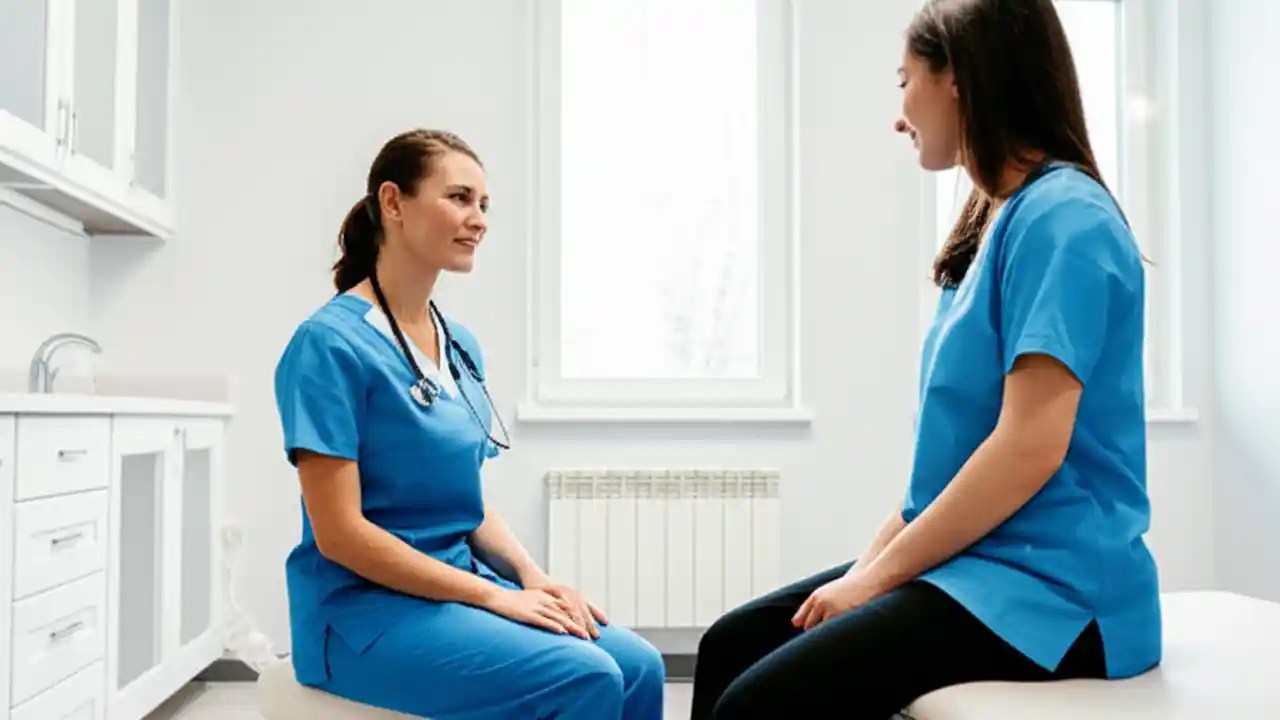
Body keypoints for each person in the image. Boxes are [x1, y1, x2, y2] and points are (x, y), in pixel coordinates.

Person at [690, 1, 1160, 717]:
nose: (898, 111)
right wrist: (871, 570)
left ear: (959, 80)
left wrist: (873, 584)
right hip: (985, 568)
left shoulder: (1067, 219)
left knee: (759, 705)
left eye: (904, 78)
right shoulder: (995, 218)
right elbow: (944, 468)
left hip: (1060, 595)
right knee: (731, 645)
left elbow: (1028, 447)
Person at [272, 129, 665, 719]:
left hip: (453, 589)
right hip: (361, 615)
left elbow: (471, 503)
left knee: (639, 667)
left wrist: (534, 577)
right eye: (458, 197)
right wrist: (491, 597)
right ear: (393, 203)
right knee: (582, 676)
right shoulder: (327, 346)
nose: (478, 219)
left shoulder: (459, 346)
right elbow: (341, 535)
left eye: (484, 204)